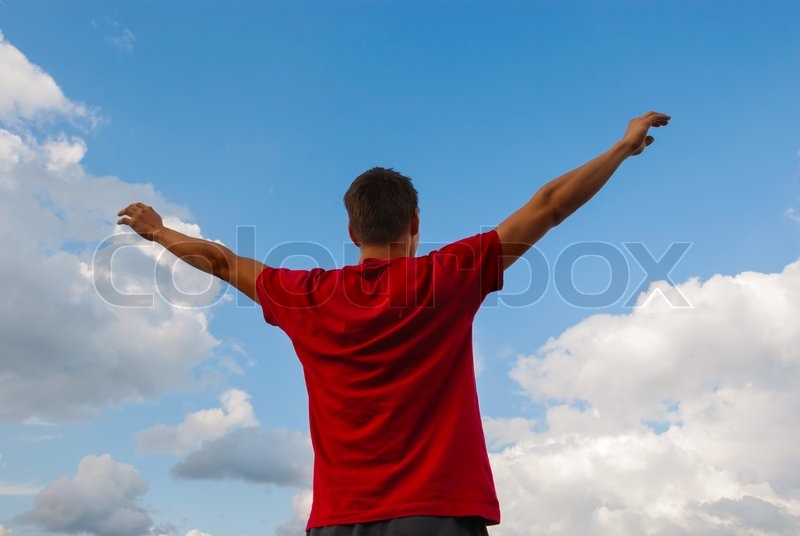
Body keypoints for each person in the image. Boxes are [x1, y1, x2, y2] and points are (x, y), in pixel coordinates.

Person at [118, 111, 670, 536]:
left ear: (352, 232)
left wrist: (158, 231)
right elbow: (548, 205)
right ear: (415, 223)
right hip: (438, 515)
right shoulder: (448, 277)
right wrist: (622, 148)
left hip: (339, 520)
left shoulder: (305, 296)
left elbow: (217, 259)